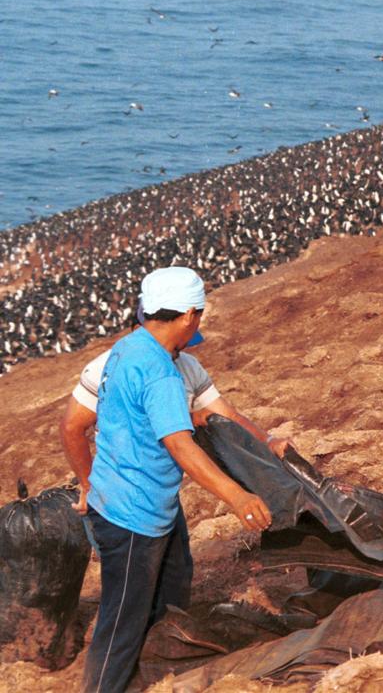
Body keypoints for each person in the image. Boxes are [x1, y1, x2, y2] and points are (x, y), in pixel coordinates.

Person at [62, 267, 273, 693]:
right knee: (122, 621)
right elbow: (181, 446)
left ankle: (154, 670)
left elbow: (209, 417)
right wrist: (236, 495)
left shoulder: (127, 349)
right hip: (131, 515)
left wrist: (266, 442)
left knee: (173, 585)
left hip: (151, 501)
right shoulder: (160, 373)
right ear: (190, 316)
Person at [61, 301, 290, 515]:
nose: (178, 347)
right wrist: (88, 485)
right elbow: (72, 427)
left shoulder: (187, 365)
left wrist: (268, 441)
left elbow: (227, 415)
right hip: (121, 495)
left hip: (163, 490)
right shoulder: (106, 367)